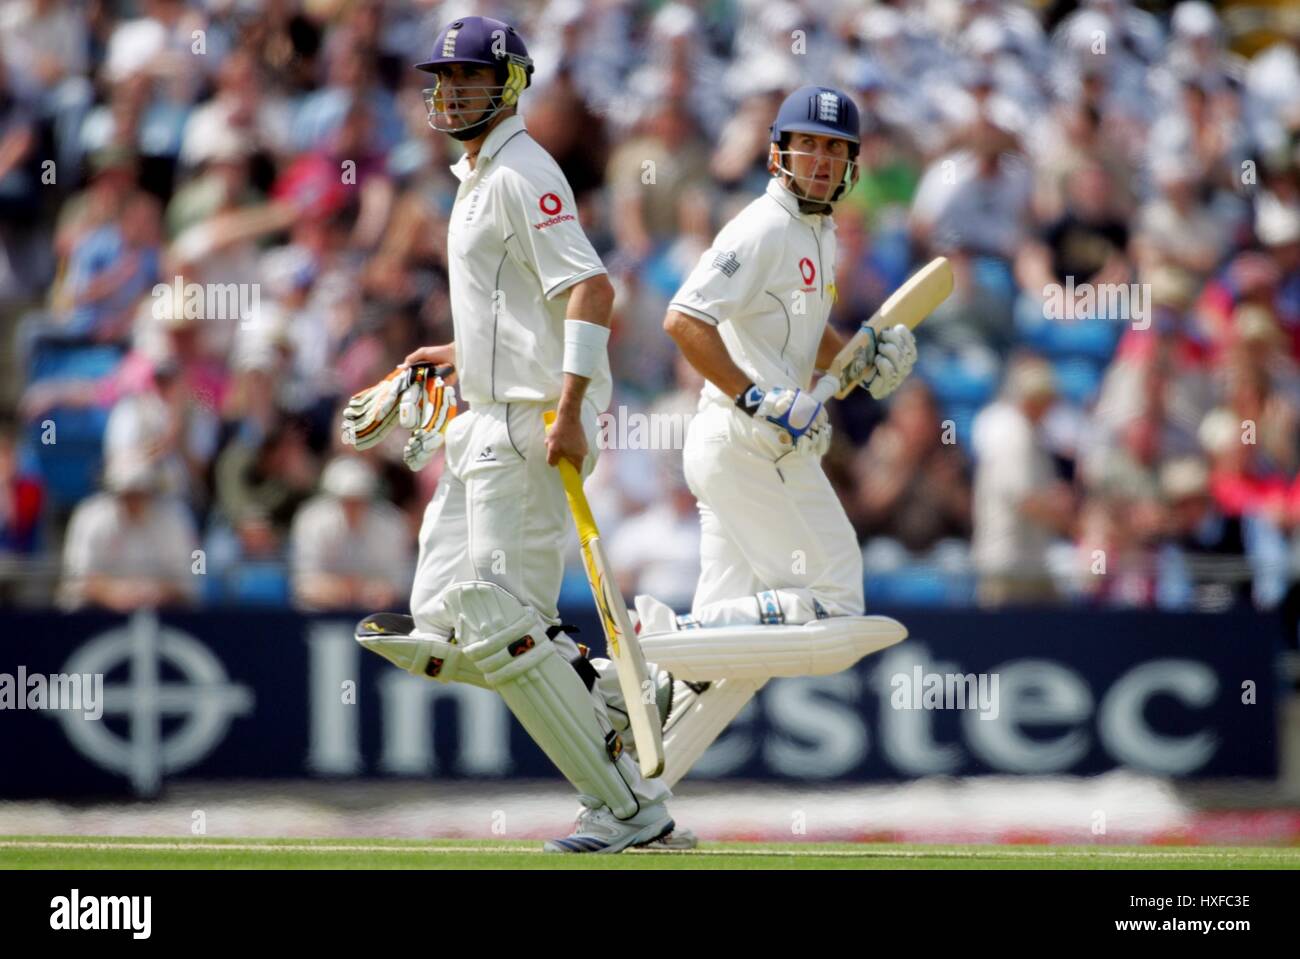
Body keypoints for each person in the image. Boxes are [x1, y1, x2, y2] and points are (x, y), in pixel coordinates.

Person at [345, 16, 674, 854]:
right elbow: (523, 300)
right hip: (480, 415)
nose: (453, 91)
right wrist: (462, 352)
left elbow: (592, 291)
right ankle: (615, 690)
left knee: (500, 622)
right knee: (437, 626)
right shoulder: (477, 175)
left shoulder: (525, 171)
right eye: (444, 79)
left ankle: (630, 810)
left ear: (512, 87)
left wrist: (566, 408)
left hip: (527, 421)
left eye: (471, 80)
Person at [622, 85, 918, 791]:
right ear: (778, 152)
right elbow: (684, 319)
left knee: (732, 663)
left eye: (834, 149)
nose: (819, 160)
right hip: (745, 441)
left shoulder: (819, 231)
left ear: (852, 165)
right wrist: (754, 395)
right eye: (807, 145)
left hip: (747, 445)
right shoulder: (760, 226)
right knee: (836, 596)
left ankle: (632, 798)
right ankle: (670, 638)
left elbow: (799, 337)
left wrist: (858, 357)